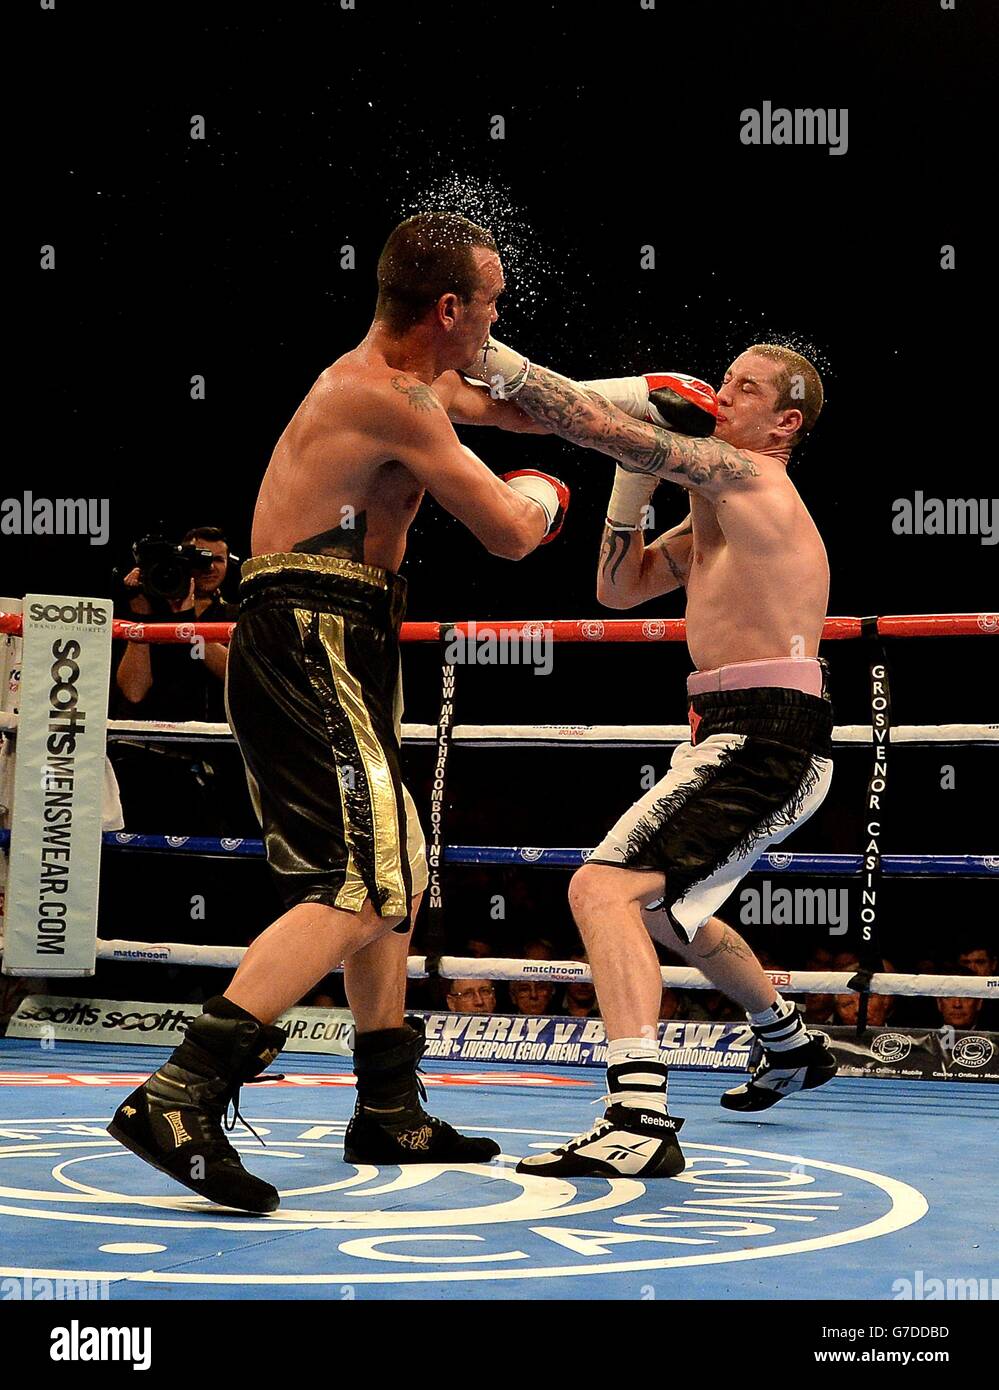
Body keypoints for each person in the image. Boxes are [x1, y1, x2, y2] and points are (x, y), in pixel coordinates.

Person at [107, 212, 570, 1212]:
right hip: (309, 629)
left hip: (343, 634)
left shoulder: (410, 388)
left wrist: (634, 403)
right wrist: (552, 490)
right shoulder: (387, 396)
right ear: (450, 309)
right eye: (489, 305)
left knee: (392, 866)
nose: (496, 321)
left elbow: (514, 405)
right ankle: (179, 1094)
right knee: (366, 877)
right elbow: (509, 532)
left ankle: (389, 1108)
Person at [468, 338, 837, 1177]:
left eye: (739, 390)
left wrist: (502, 369)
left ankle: (636, 1116)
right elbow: (618, 586)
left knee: (602, 888)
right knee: (672, 914)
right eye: (720, 381)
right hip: (740, 733)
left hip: (764, 734)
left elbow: (600, 426)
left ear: (783, 423)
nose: (719, 395)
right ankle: (788, 1043)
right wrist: (634, 478)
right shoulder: (711, 507)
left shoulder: (749, 477)